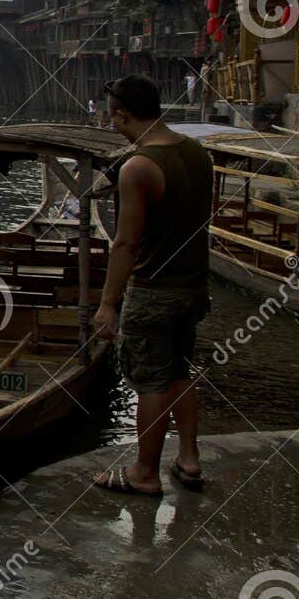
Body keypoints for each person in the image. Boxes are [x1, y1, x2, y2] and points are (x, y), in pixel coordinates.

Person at [91, 74, 212, 496]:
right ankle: (190, 459)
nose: (111, 125)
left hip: (154, 291)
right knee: (179, 370)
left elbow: (125, 243)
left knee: (151, 382)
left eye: (112, 119)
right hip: (193, 288)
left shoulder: (138, 167)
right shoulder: (198, 153)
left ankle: (145, 471)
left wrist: (108, 304)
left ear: (124, 115)